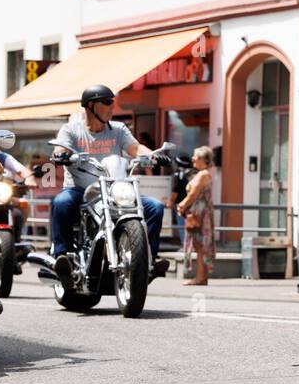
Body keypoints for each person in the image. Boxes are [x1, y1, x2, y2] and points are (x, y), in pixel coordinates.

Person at [46, 84, 168, 286]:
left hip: (114, 189)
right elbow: (60, 148)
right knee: (61, 202)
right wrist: (61, 155)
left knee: (155, 207)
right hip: (81, 190)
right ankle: (63, 258)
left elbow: (135, 148)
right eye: (108, 102)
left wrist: (153, 156)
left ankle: (147, 260)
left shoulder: (118, 130)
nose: (113, 107)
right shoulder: (71, 130)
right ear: (92, 105)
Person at [177, 146, 215, 286]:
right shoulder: (202, 173)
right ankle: (202, 277)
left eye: (195, 156)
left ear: (203, 159)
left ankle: (200, 278)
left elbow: (193, 195)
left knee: (200, 246)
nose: (192, 158)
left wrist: (182, 205)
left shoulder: (203, 174)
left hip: (200, 214)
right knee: (200, 246)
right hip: (200, 212)